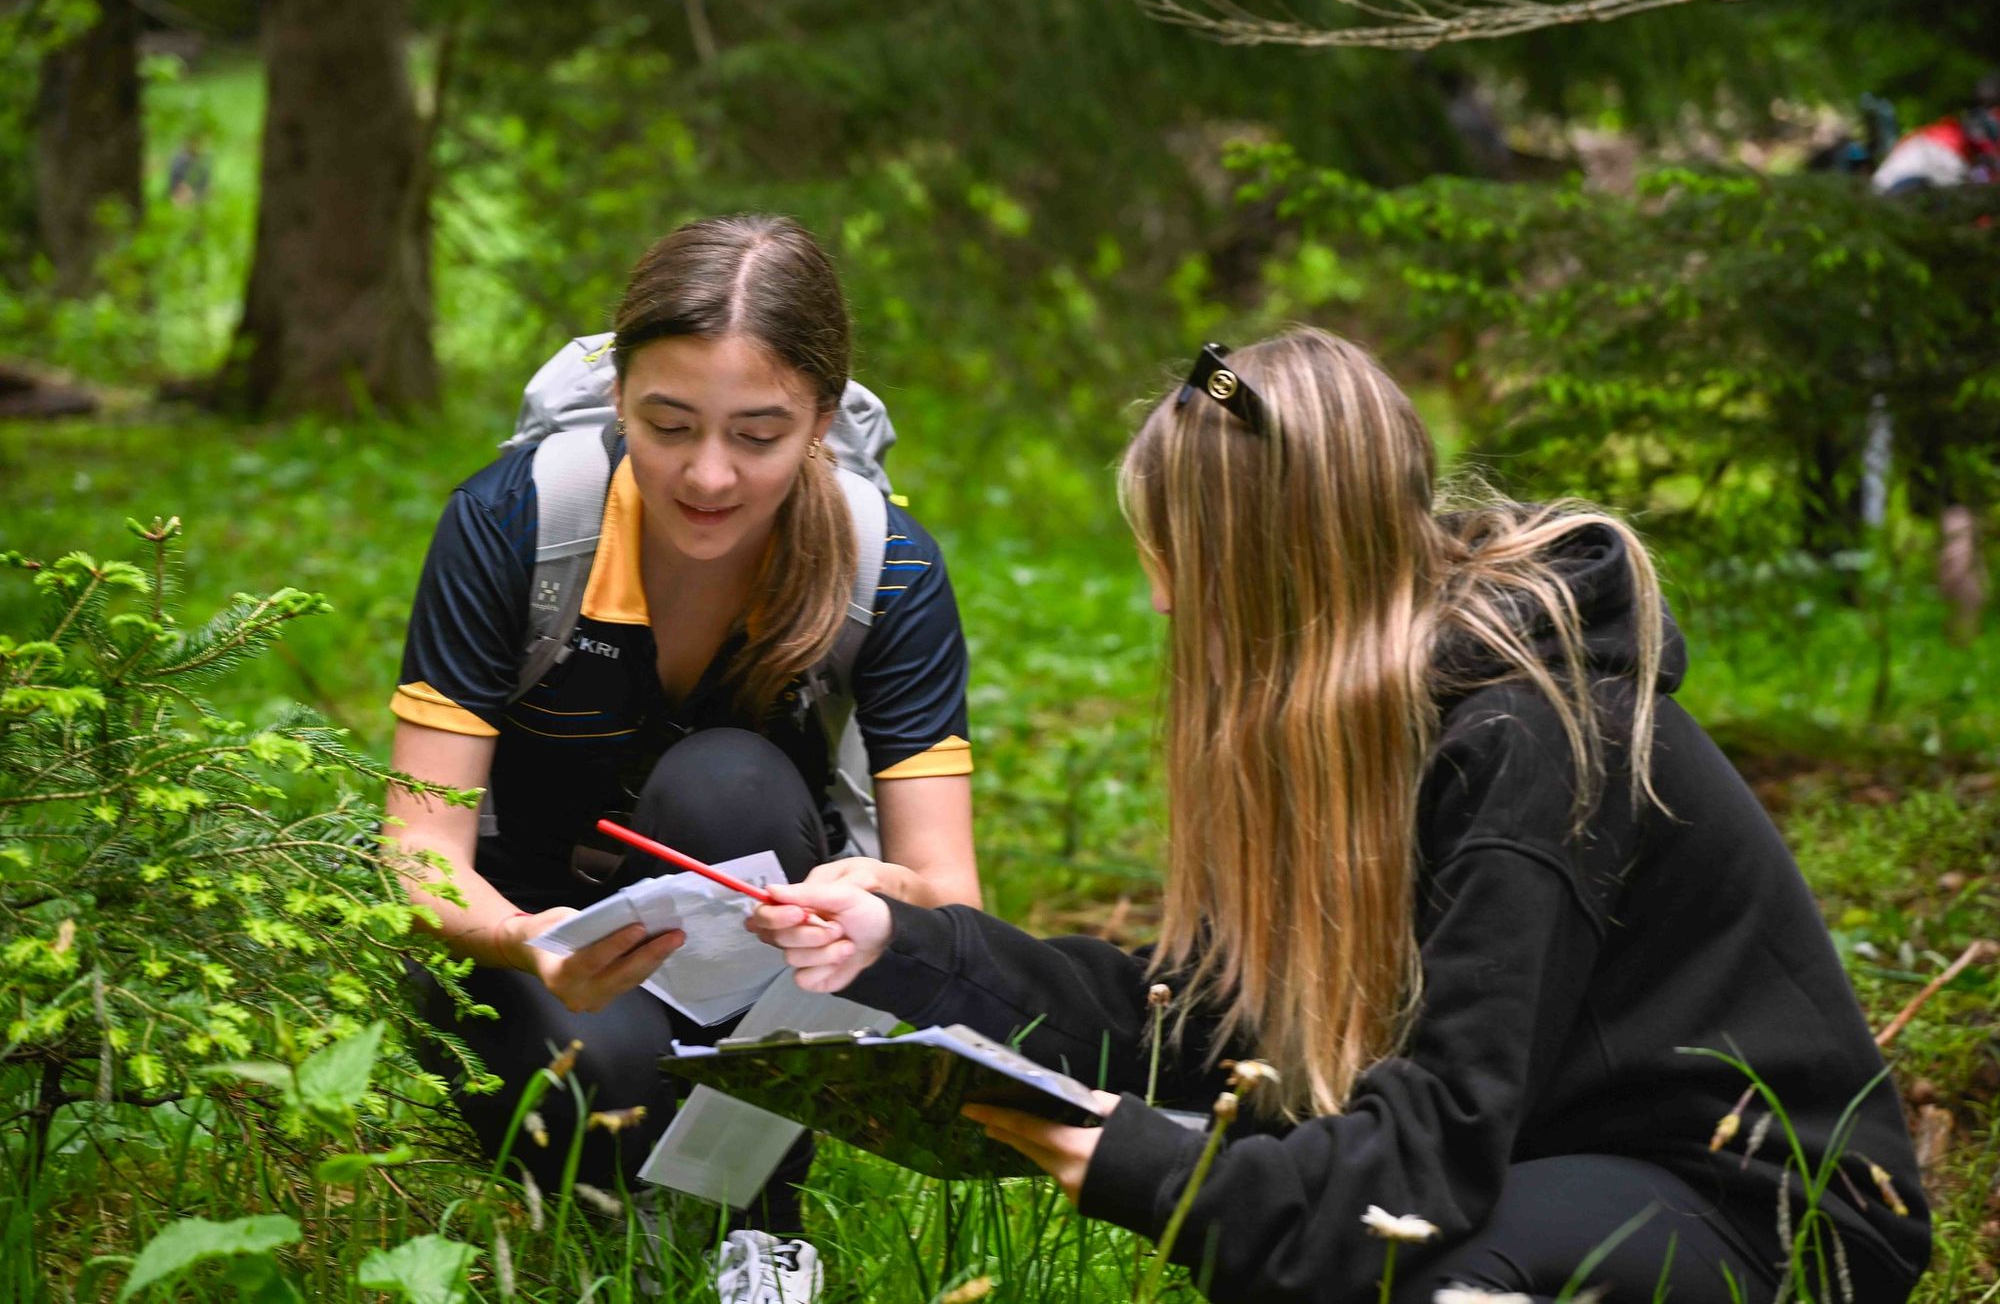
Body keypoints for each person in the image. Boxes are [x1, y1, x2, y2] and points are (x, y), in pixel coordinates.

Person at [750, 329, 1932, 1302]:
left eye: (1181, 561)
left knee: (1373, 1254)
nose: (1160, 598)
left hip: (1768, 1217)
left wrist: (1145, 1164)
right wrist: (911, 951)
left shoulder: (1530, 742)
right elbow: (1215, 1015)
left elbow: (1431, 1151)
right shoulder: (1381, 727)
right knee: (1309, 1226)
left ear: (1276, 572)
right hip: (1561, 1156)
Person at [383, 215, 978, 1302]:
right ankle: (634, 1164)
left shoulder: (884, 564)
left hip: (756, 969)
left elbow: (947, 892)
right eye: (668, 424)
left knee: (731, 778)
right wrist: (527, 942)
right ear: (618, 397)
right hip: (528, 937)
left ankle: (763, 1226)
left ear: (819, 420)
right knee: (597, 1099)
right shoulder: (515, 520)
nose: (708, 476)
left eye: (758, 434)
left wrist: (879, 888)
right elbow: (417, 857)